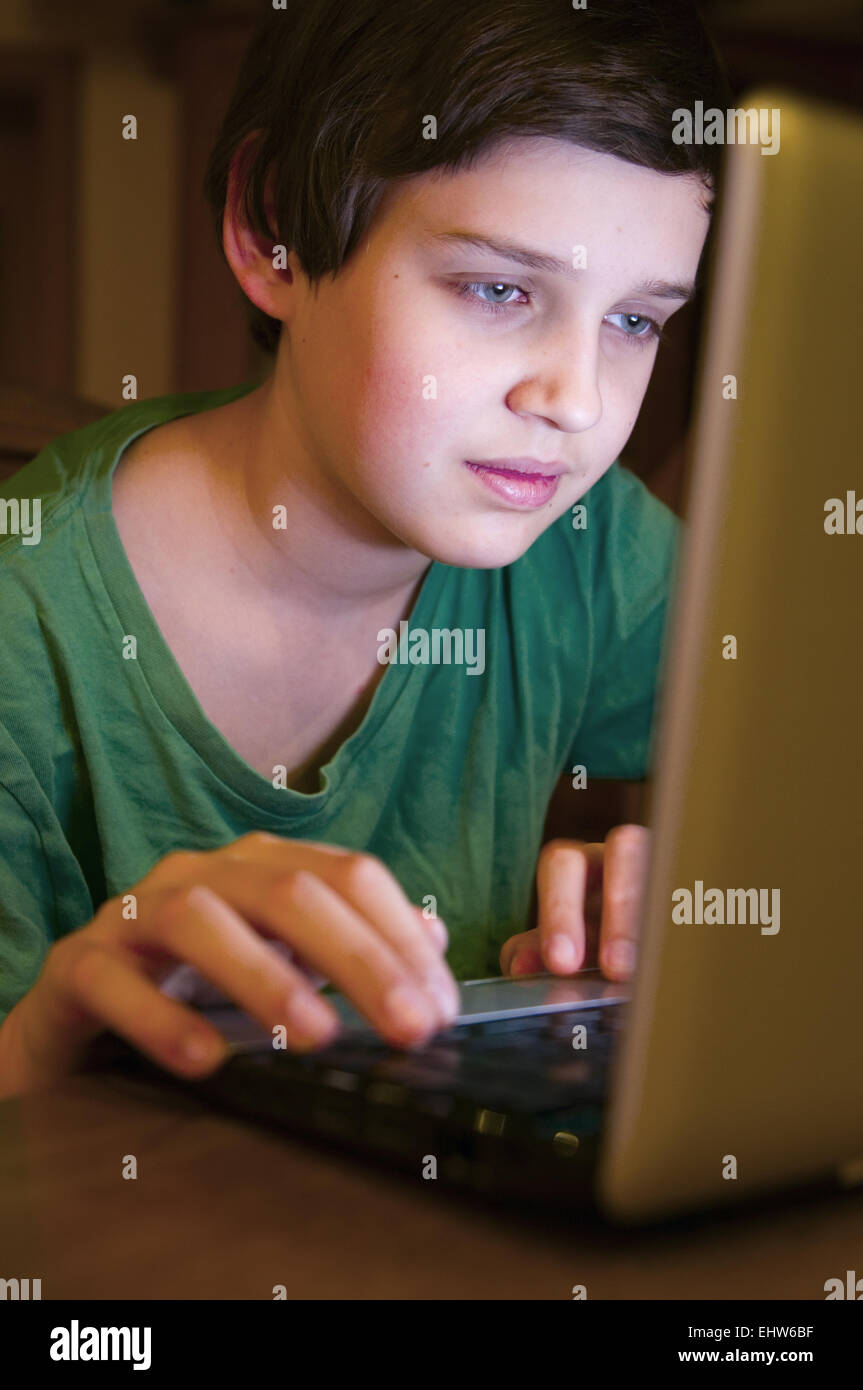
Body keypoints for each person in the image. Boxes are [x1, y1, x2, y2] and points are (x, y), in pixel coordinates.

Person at [0, 0, 730, 1097]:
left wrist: (710, 882)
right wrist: (43, 1042)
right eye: (498, 289)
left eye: (634, 321)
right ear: (274, 232)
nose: (576, 402)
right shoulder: (26, 633)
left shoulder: (584, 540)